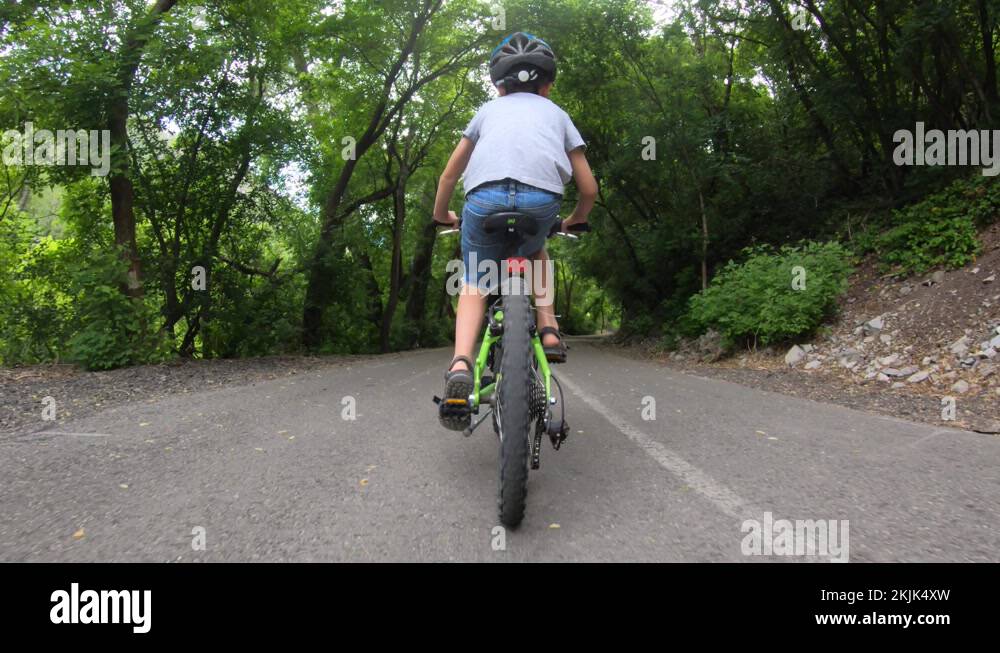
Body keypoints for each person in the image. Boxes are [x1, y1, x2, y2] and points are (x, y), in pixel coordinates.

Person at [432, 31, 598, 429]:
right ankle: (549, 329)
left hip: (483, 200)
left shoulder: (487, 111)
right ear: (548, 85)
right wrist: (576, 217)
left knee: (474, 279)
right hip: (541, 201)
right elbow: (589, 187)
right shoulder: (557, 114)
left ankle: (460, 364)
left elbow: (448, 176)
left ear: (498, 85)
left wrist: (442, 215)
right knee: (536, 250)